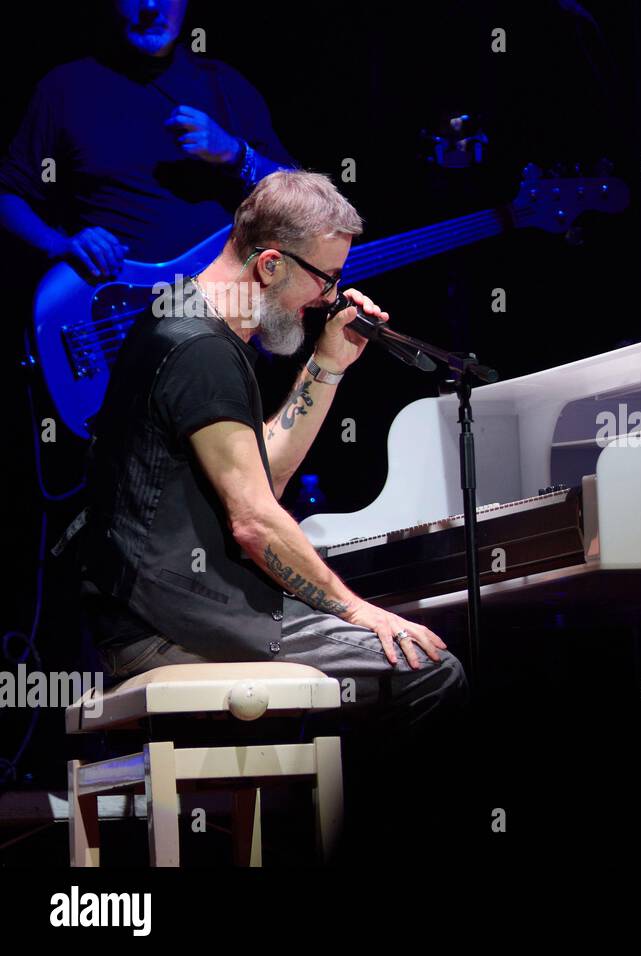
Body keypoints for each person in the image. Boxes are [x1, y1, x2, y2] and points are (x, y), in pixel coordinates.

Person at [76, 169, 467, 736]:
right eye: (326, 278)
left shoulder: (195, 326)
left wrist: (327, 366)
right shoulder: (200, 351)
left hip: (178, 610)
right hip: (166, 628)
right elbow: (256, 523)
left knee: (384, 653)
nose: (330, 297)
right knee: (428, 672)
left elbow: (265, 481)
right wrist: (355, 610)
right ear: (270, 264)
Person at [0, 0, 294, 276]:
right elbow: (8, 195)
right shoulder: (64, 89)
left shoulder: (225, 85)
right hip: (117, 311)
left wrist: (235, 153)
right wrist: (59, 244)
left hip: (222, 310)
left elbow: (302, 196)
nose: (150, 7)